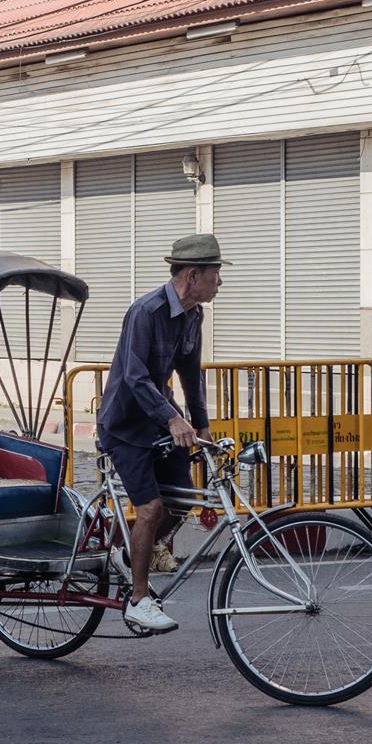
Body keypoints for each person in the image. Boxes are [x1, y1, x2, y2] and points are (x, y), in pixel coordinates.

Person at [95, 234, 225, 634]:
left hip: (159, 420)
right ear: (192, 275)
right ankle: (138, 599)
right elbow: (134, 376)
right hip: (125, 425)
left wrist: (200, 424)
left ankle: (132, 552)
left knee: (183, 500)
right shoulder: (145, 312)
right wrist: (172, 418)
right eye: (215, 275)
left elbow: (190, 373)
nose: (219, 283)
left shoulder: (193, 315)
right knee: (149, 509)